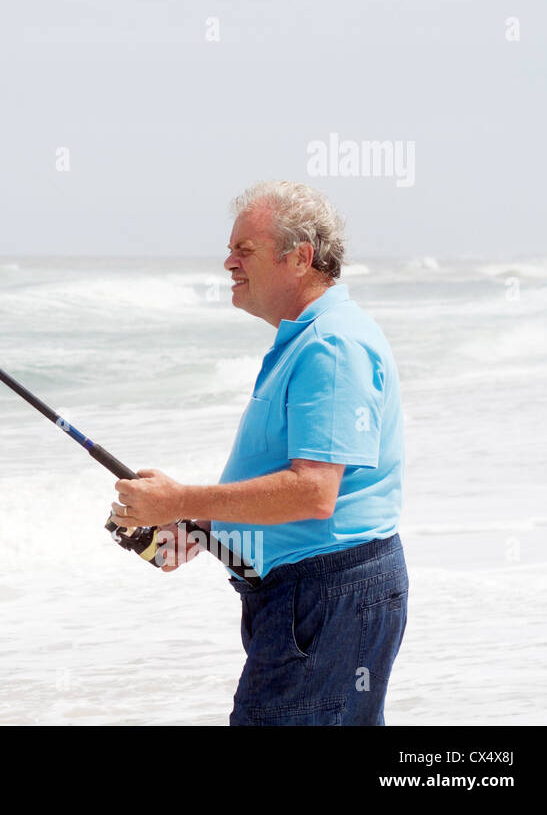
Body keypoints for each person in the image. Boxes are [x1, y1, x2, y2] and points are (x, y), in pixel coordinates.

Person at [109, 181, 408, 725]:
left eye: (244, 250)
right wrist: (199, 523)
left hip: (323, 597)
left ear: (299, 257)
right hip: (317, 596)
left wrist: (178, 497)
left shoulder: (331, 346)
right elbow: (291, 481)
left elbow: (315, 493)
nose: (228, 262)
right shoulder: (310, 337)